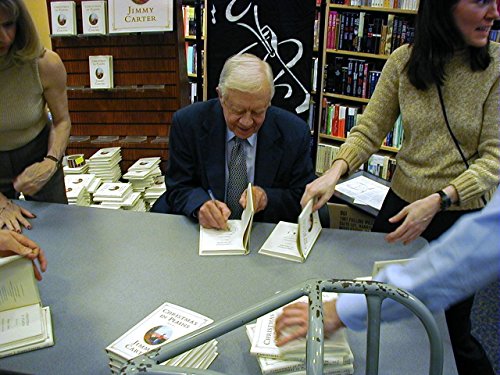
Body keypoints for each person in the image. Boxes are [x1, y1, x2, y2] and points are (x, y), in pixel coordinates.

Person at [300, 1, 499, 373]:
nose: (494, 13)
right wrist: (332, 172)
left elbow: (494, 159)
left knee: (450, 331)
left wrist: (440, 199)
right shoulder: (403, 62)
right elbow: (370, 128)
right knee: (375, 302)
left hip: (460, 214)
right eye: (480, 2)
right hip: (402, 205)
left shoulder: (496, 66)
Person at [275, 188, 500, 362]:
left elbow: (465, 257)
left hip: (456, 208)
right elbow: (372, 128)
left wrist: (342, 310)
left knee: (452, 334)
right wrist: (339, 167)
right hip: (404, 199)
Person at [152, 53, 316, 229]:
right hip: (206, 231)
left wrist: (267, 198)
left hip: (263, 231)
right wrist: (200, 206)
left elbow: (302, 195)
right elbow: (179, 185)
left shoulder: (294, 133)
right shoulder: (188, 124)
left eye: (257, 112)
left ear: (269, 102)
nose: (247, 122)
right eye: (238, 111)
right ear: (221, 96)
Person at [0, 0, 71, 233]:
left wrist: (50, 163)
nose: (5, 38)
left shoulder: (45, 64)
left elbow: (61, 121)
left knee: (58, 230)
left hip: (38, 151)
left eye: (9, 25)